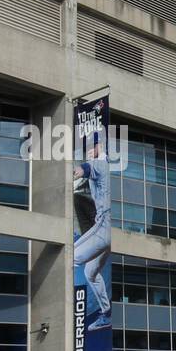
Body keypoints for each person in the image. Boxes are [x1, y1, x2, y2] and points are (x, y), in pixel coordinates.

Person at [72, 131, 111, 332]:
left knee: (69, 256)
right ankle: (106, 313)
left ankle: (66, 308)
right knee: (91, 272)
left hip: (103, 230)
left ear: (100, 147)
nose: (88, 150)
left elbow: (81, 170)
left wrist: (72, 173)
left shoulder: (99, 164)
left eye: (91, 147)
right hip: (109, 234)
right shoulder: (106, 166)